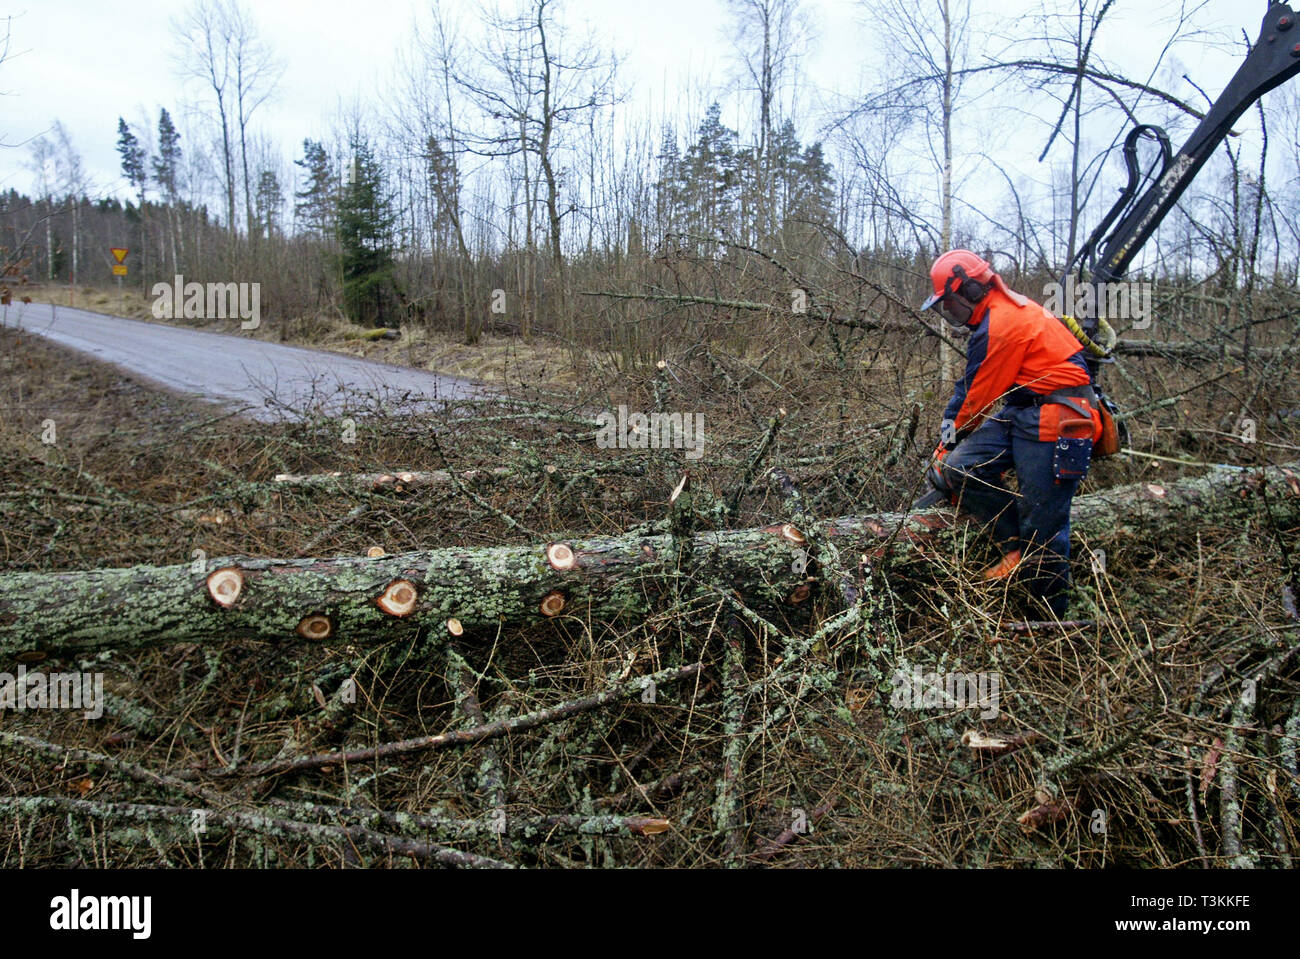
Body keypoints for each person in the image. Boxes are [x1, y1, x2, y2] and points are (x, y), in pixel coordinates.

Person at [919, 249, 1102, 618]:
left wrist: (946, 439)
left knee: (1045, 523)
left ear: (971, 290)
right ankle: (1013, 543)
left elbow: (974, 397)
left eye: (952, 304)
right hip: (1024, 410)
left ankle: (1047, 617)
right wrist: (947, 450)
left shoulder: (1003, 324)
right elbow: (970, 387)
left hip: (1060, 417)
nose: (952, 314)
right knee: (961, 467)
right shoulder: (997, 316)